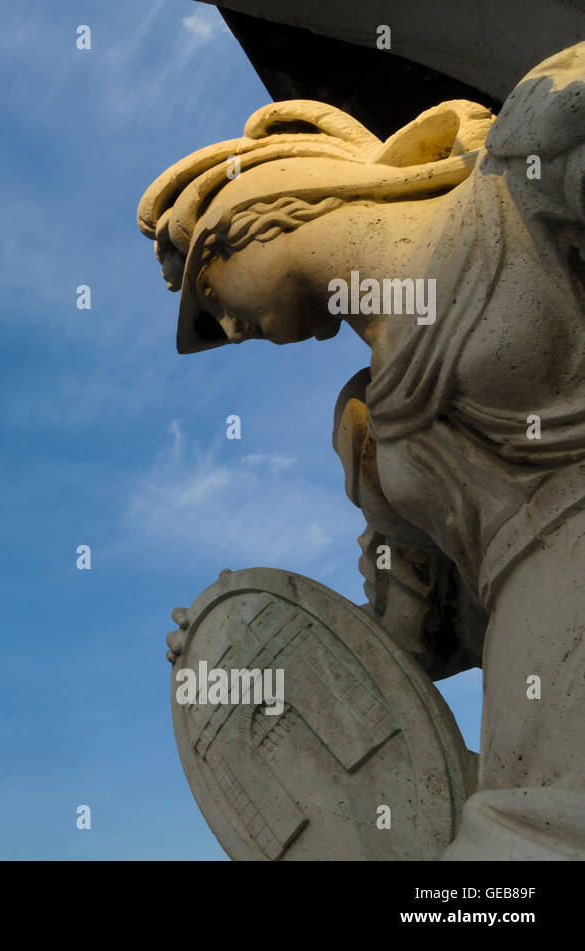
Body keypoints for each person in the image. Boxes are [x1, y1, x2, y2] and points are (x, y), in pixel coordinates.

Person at [140, 42, 585, 859]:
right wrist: (237, 655)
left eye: (214, 294)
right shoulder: (368, 425)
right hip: (534, 699)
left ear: (259, 214)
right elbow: (412, 636)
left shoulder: (516, 181)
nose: (232, 328)